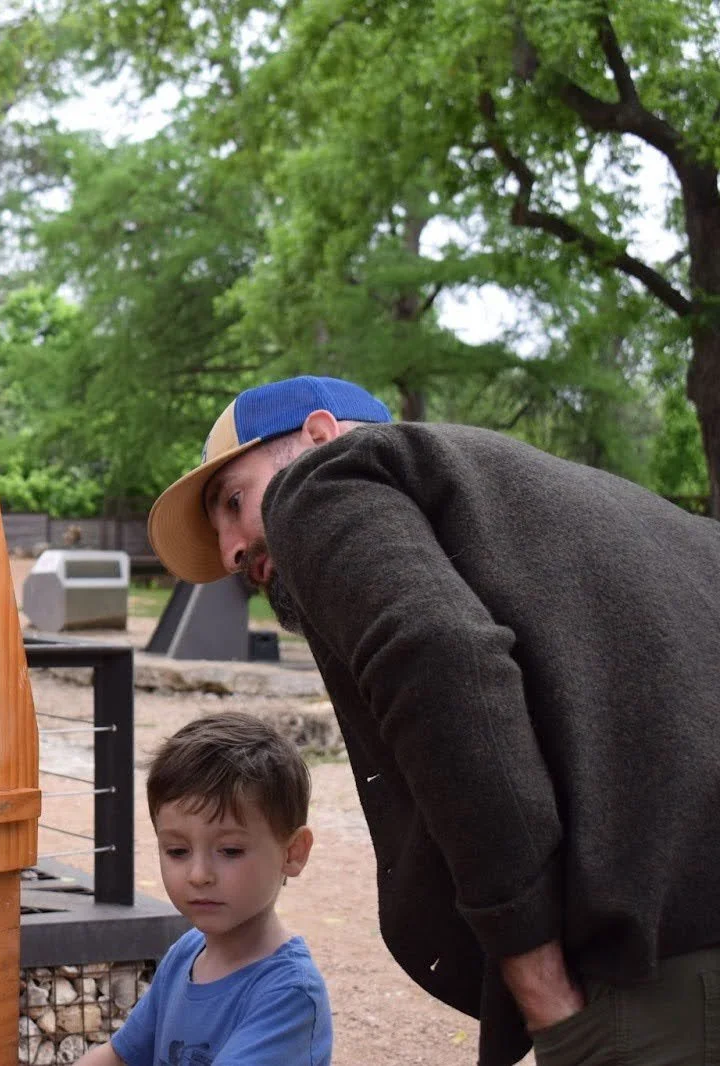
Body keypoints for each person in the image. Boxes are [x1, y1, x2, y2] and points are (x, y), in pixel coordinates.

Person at [146, 375, 720, 1066]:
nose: (234, 552)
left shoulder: (322, 482)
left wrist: (541, 991)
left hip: (658, 984)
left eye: (234, 502)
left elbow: (441, 657)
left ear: (321, 437)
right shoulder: (644, 519)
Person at [79, 712, 332, 1066]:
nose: (198, 875)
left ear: (293, 853)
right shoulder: (187, 953)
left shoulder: (288, 996)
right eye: (177, 851)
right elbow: (119, 1056)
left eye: (230, 851)